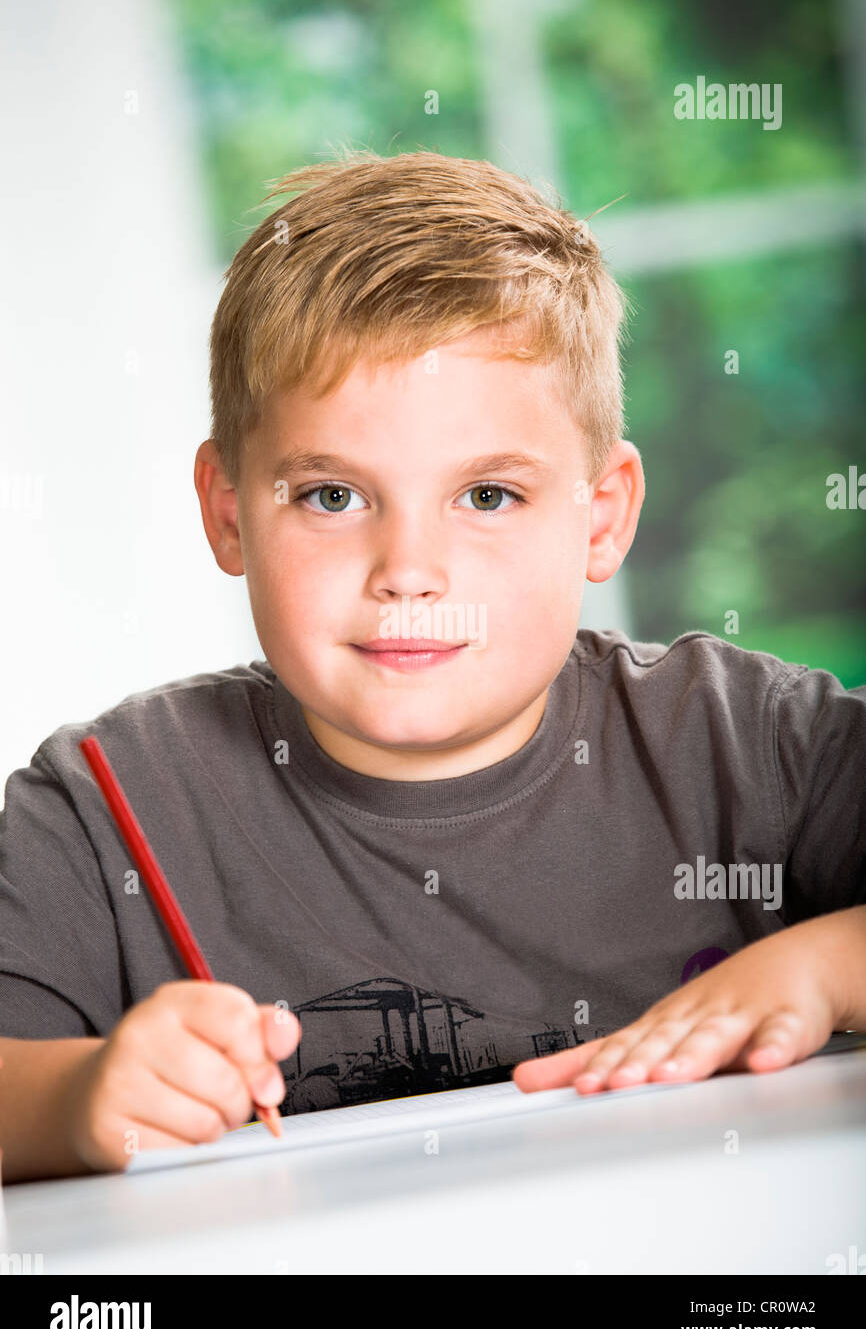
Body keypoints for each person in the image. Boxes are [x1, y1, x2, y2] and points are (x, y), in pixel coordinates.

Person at [1, 150, 863, 1183]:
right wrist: (81, 1100)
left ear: (602, 513)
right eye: (330, 496)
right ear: (227, 507)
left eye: (487, 496)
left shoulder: (745, 742)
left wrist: (828, 960)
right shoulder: (105, 801)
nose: (408, 572)